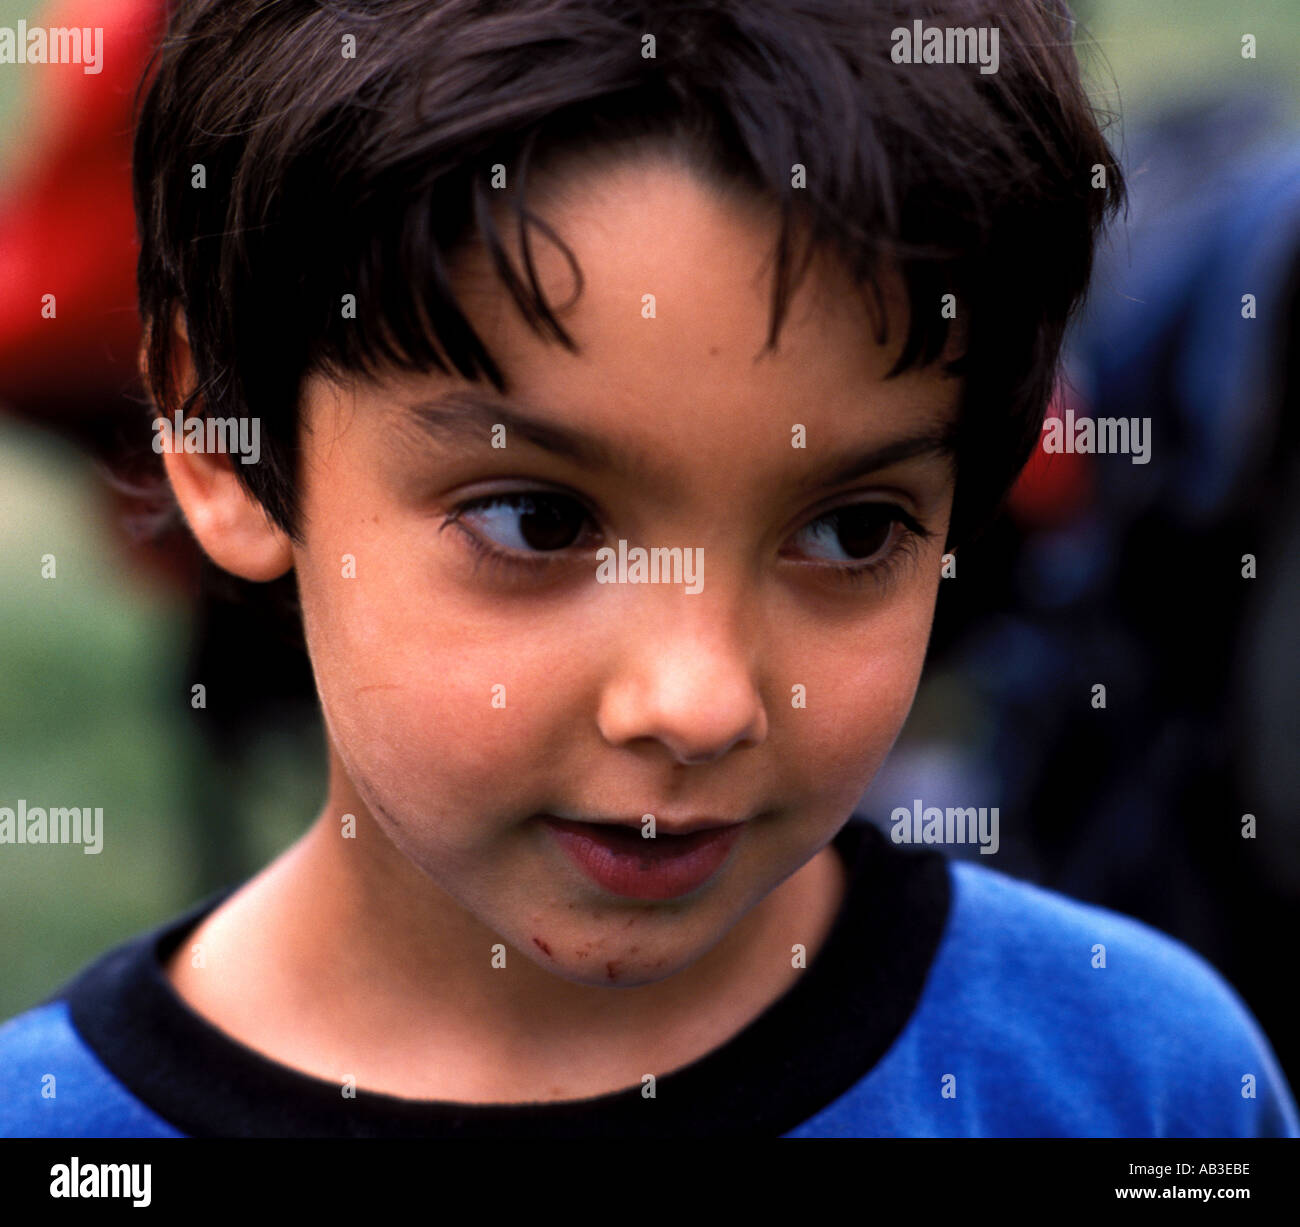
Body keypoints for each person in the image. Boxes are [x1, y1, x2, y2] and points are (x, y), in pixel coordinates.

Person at [1, 0, 1294, 1138]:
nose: (698, 701)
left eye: (851, 531)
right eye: (537, 523)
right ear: (224, 445)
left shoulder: (1133, 1082)